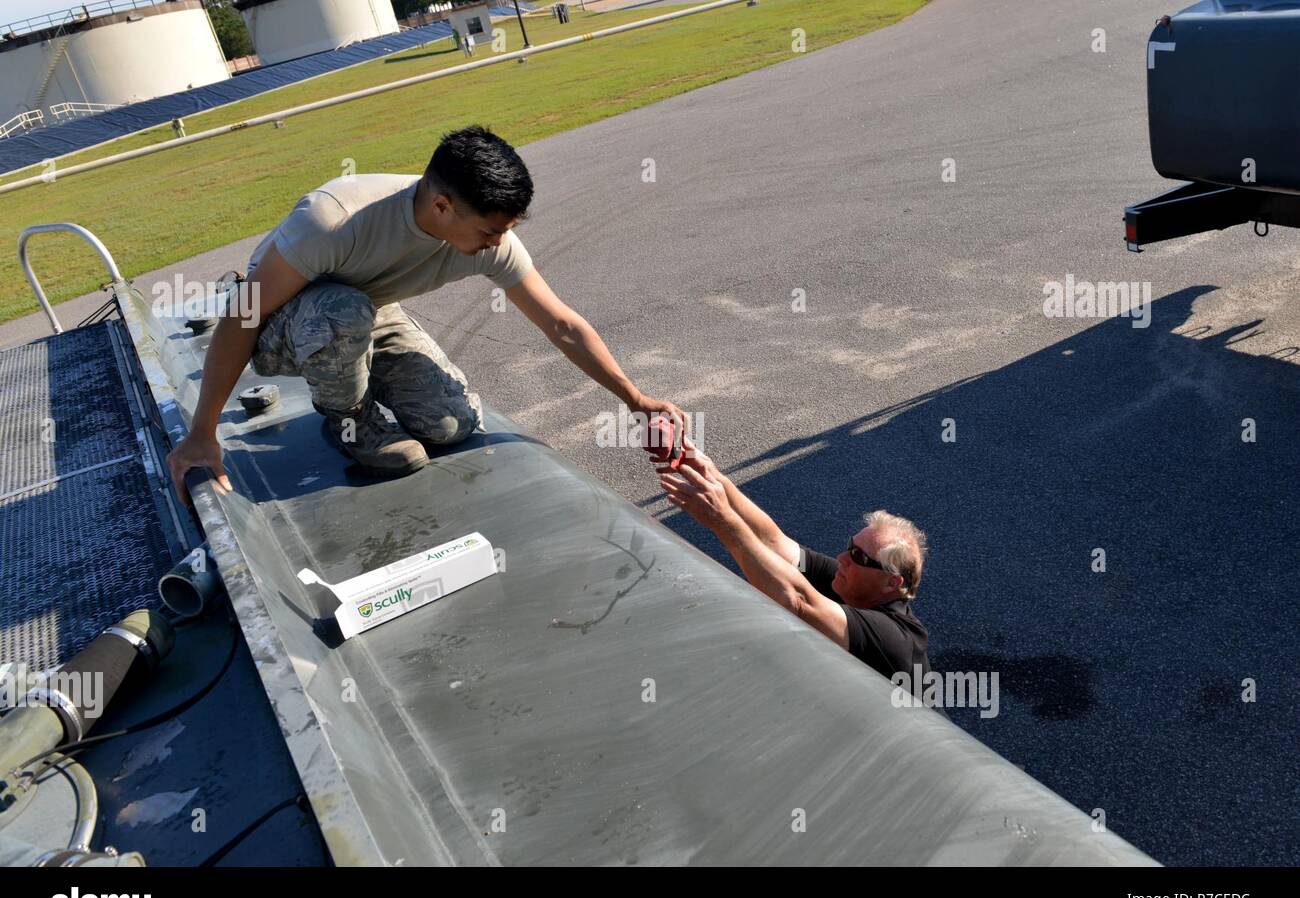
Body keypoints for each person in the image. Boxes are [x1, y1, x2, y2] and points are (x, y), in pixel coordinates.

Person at [167, 125, 685, 501]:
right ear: (441, 206)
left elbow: (562, 325)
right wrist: (202, 434)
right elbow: (244, 315)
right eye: (489, 231)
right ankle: (347, 420)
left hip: (366, 309)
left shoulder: (487, 240)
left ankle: (359, 378)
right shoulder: (334, 219)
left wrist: (635, 399)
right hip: (284, 320)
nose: (498, 244)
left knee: (450, 425)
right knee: (342, 311)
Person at [656, 439, 930, 681]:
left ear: (890, 583)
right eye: (850, 546)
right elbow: (775, 542)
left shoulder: (895, 638)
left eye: (858, 556)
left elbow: (798, 602)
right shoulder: (852, 584)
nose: (842, 558)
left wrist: (723, 522)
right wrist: (711, 474)